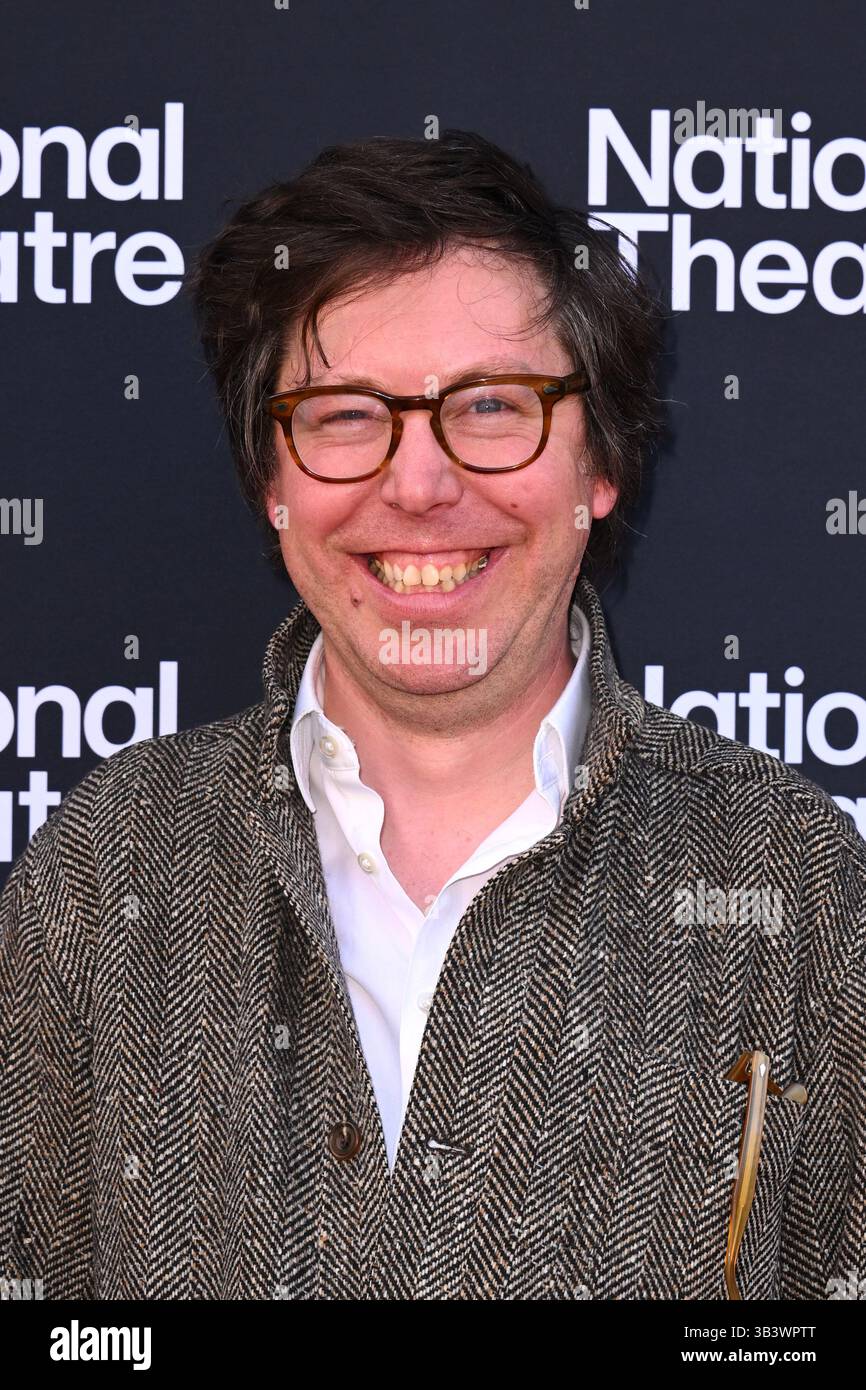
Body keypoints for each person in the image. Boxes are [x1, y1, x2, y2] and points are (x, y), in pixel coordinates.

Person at [1, 130, 864, 1301]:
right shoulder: (107, 864)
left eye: (492, 405)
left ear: (598, 465)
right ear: (274, 478)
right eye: (347, 415)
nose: (417, 484)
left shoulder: (794, 878)